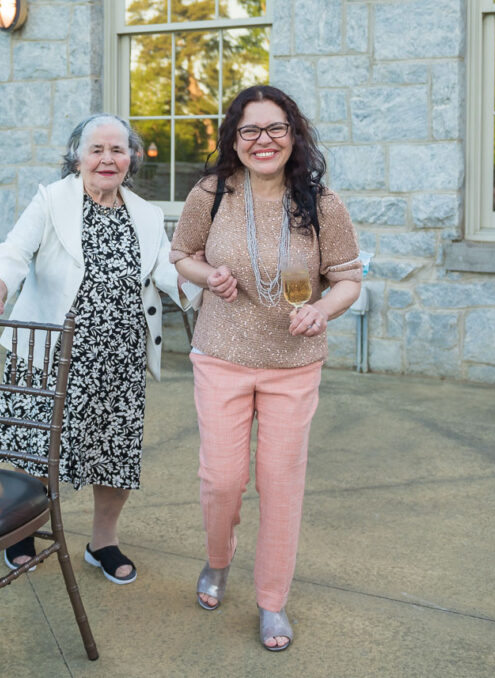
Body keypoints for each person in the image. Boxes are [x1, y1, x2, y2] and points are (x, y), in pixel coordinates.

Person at [0, 115, 193, 585]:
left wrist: (211, 285)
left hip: (118, 360)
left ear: (131, 159)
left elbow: (170, 273)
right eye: (97, 149)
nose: (108, 158)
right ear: (77, 156)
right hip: (50, 354)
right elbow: (13, 251)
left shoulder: (146, 214)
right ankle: (25, 528)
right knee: (37, 450)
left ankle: (102, 543)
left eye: (118, 150)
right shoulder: (52, 201)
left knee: (114, 454)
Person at [170, 85, 361, 652]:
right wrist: (207, 277)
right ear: (234, 137)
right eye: (250, 130)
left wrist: (323, 310)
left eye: (275, 128)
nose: (263, 140)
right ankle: (218, 560)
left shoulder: (321, 202)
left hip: (294, 365)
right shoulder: (211, 193)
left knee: (281, 485)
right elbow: (181, 255)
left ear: (293, 134)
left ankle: (272, 600)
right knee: (223, 479)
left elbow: (349, 277)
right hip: (222, 355)